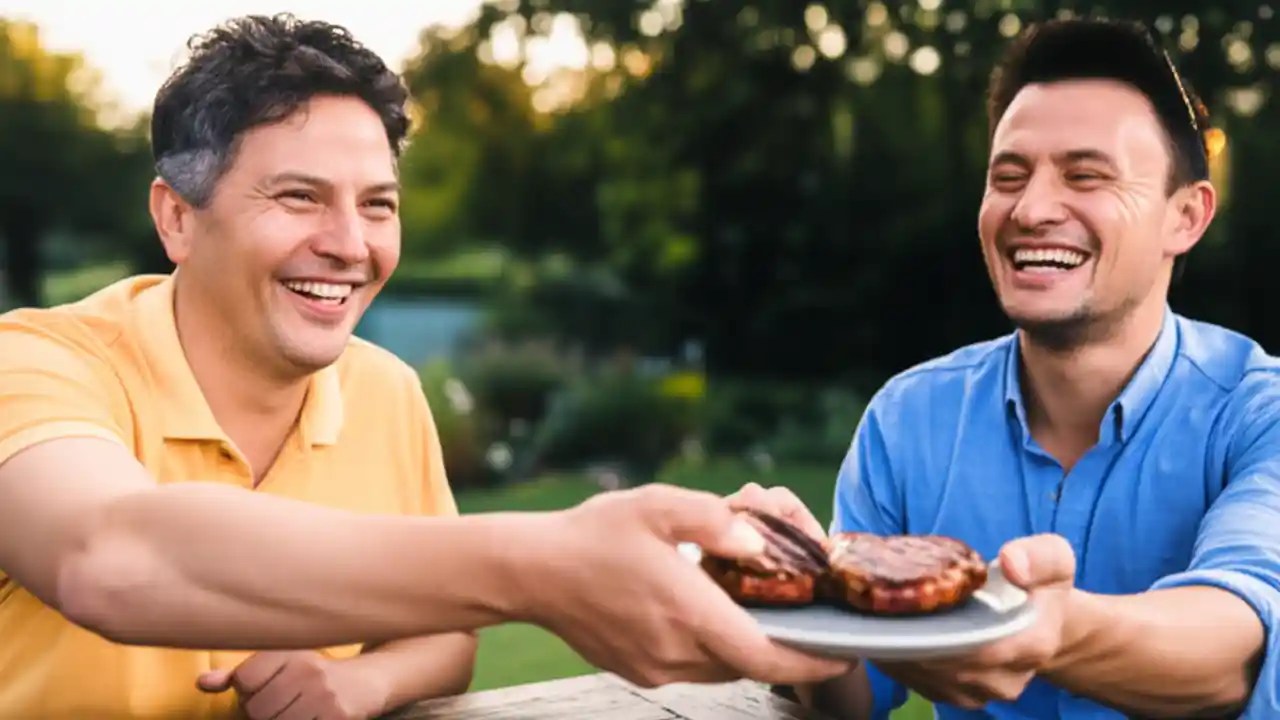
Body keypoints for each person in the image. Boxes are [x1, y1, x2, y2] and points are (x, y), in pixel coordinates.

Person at [0, 14, 847, 720]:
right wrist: (543, 564)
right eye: (299, 197)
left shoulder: (387, 392)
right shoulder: (33, 362)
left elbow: (446, 634)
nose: (349, 244)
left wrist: (363, 680)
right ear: (177, 219)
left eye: (378, 205)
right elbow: (105, 558)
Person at [730, 16, 1280, 720]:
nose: (1032, 208)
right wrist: (804, 595)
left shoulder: (1257, 415)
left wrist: (1039, 628)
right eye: (1008, 176)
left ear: (1187, 217)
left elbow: (1239, 652)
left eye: (1086, 175)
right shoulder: (909, 419)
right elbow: (853, 694)